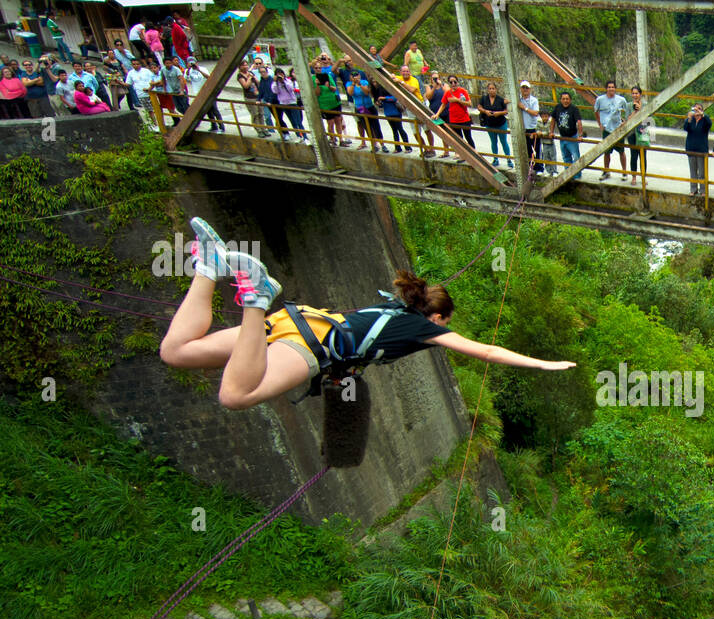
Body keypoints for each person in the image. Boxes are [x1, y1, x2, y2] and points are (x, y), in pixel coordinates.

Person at [158, 219, 576, 412]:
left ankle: (209, 266)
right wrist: (543, 363)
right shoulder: (419, 327)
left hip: (292, 324)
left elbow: (358, 345)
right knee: (234, 396)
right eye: (444, 325)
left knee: (175, 352)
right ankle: (255, 295)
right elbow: (484, 351)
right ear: (437, 319)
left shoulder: (392, 306)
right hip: (304, 342)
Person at [594, 80, 629, 180]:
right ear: (606, 88)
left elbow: (627, 110)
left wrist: (625, 122)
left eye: (613, 87)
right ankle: (606, 171)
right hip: (606, 129)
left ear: (615, 88)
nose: (611, 89)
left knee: (621, 151)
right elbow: (596, 111)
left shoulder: (621, 99)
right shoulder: (600, 99)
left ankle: (624, 172)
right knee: (606, 152)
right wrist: (600, 124)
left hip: (618, 129)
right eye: (609, 87)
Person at [348, 70, 383, 151]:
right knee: (367, 126)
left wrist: (359, 84)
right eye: (353, 76)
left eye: (356, 75)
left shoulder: (364, 82)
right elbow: (350, 93)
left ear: (359, 75)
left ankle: (382, 143)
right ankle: (374, 144)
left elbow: (367, 92)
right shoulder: (349, 84)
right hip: (360, 107)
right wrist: (353, 84)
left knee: (375, 125)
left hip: (369, 106)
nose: (355, 77)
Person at [682, 103, 712, 196]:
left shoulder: (704, 120)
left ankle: (703, 190)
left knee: (702, 172)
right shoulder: (691, 120)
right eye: (696, 109)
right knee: (693, 171)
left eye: (699, 109)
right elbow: (685, 128)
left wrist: (702, 114)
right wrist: (689, 118)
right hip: (691, 148)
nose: (697, 111)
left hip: (701, 149)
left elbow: (709, 123)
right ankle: (693, 189)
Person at [479, 81, 511, 168]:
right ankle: (495, 159)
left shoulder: (500, 100)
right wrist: (485, 111)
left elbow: (506, 111)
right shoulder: (484, 99)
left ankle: (508, 159)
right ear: (488, 90)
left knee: (503, 142)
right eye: (490, 89)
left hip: (500, 123)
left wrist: (499, 113)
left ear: (496, 89)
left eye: (493, 88)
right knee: (493, 142)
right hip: (490, 124)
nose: (492, 90)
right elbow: (479, 106)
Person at [549, 89, 583, 171]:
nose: (565, 101)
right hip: (562, 137)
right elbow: (553, 119)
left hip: (572, 137)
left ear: (570, 100)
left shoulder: (574, 109)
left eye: (567, 99)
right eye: (563, 99)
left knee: (576, 157)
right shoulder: (557, 107)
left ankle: (576, 175)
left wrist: (580, 135)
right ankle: (567, 174)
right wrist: (551, 132)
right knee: (566, 157)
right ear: (561, 100)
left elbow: (579, 122)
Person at [375, 80, 410, 151]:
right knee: (394, 130)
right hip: (388, 113)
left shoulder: (391, 91)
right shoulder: (380, 92)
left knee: (400, 129)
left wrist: (384, 98)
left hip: (396, 113)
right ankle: (397, 147)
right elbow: (382, 105)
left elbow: (394, 98)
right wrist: (379, 104)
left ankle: (407, 147)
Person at [315, 69, 347, 146]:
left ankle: (341, 139)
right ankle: (332, 139)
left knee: (338, 121)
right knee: (330, 122)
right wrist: (318, 85)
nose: (318, 69)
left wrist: (328, 85)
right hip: (325, 105)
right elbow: (317, 93)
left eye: (319, 68)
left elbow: (334, 89)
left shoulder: (328, 76)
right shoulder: (313, 79)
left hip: (334, 102)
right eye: (316, 68)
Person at [627, 86, 652, 179]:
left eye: (636, 93)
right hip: (632, 133)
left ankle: (643, 177)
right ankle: (634, 176)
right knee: (633, 155)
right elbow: (627, 120)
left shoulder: (645, 105)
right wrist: (634, 111)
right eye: (633, 93)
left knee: (643, 155)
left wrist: (640, 109)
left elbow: (648, 119)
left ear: (640, 94)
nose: (635, 95)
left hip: (642, 133)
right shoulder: (629, 105)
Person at [518, 80, 542, 175]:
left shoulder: (534, 100)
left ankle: (539, 168)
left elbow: (536, 113)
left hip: (533, 128)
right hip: (523, 129)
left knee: (536, 149)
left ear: (530, 89)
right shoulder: (519, 99)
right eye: (523, 88)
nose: (525, 89)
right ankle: (530, 167)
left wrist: (524, 108)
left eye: (526, 88)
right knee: (527, 150)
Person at [443, 74, 473, 151]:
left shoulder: (463, 91)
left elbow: (469, 103)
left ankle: (474, 153)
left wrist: (457, 100)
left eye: (455, 82)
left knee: (468, 137)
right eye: (451, 82)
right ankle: (463, 154)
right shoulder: (447, 93)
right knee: (459, 139)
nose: (453, 84)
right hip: (454, 120)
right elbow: (443, 105)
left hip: (464, 119)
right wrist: (436, 114)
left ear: (457, 82)